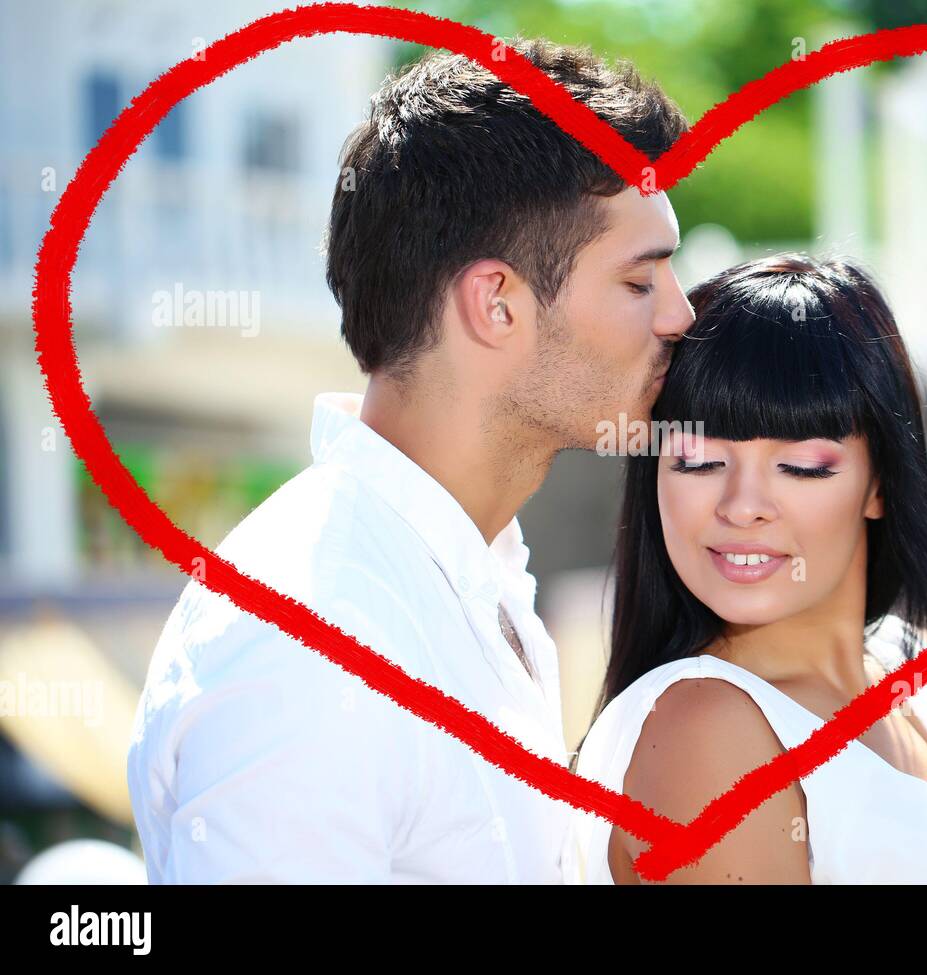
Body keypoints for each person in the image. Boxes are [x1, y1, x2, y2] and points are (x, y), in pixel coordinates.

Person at [126, 37, 694, 883]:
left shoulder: (461, 574)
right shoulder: (317, 635)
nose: (680, 314)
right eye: (641, 280)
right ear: (497, 304)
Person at [563, 254, 927, 884]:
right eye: (698, 462)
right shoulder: (706, 730)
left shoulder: (915, 678)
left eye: (801, 467)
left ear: (880, 484)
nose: (741, 508)